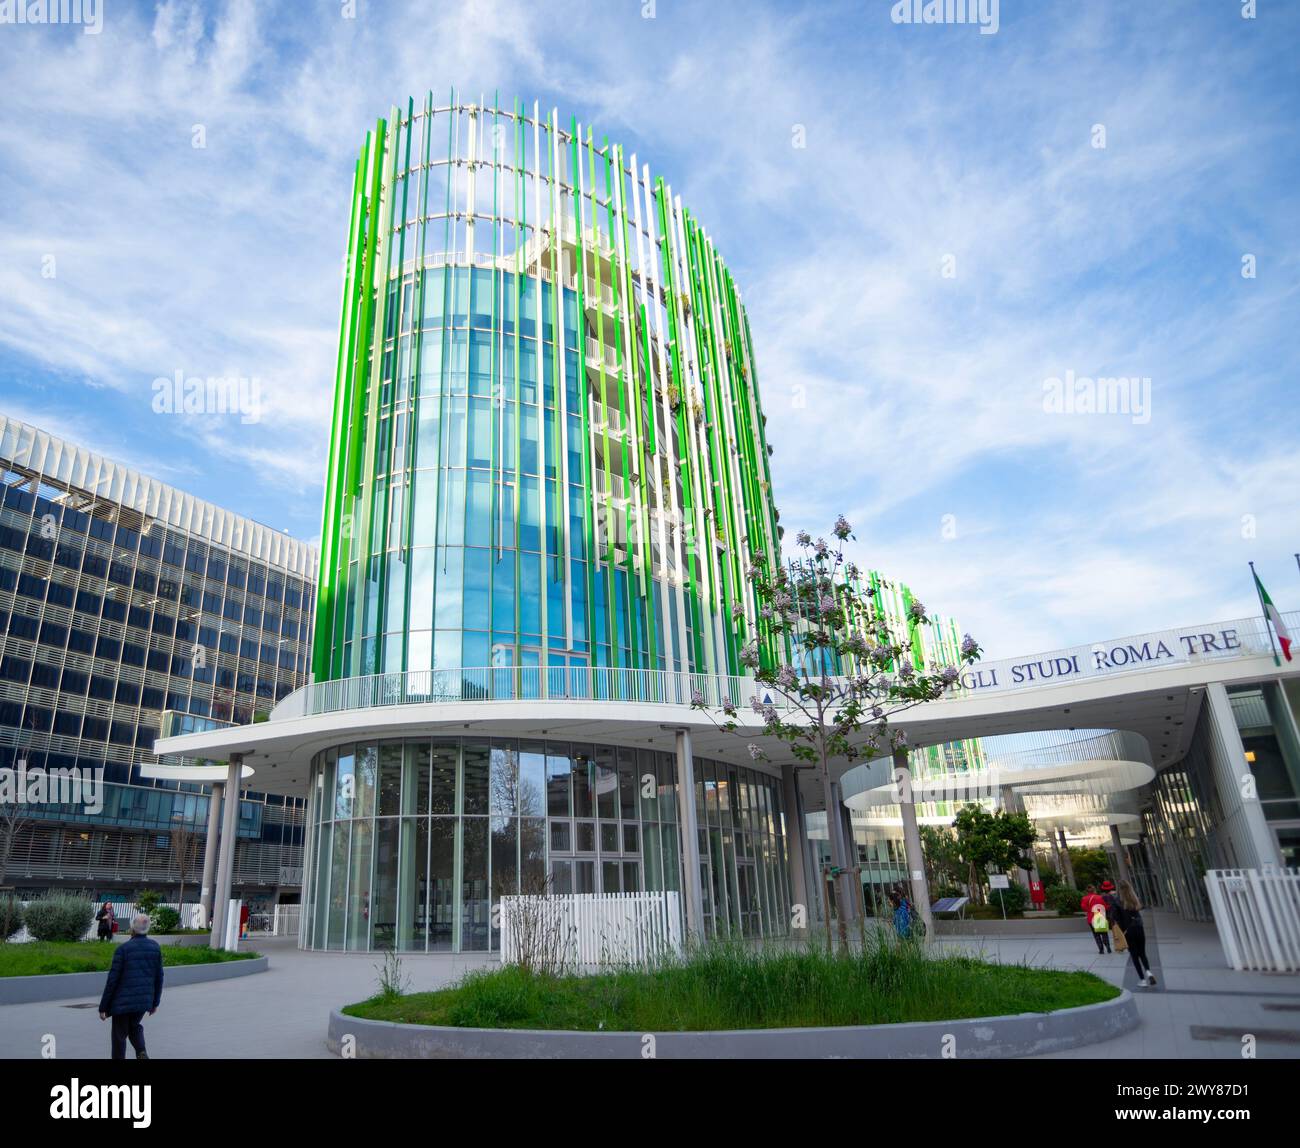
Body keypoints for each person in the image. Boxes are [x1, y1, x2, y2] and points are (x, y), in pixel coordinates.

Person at [98, 914, 164, 1060]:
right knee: (134, 1026)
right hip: (143, 1000)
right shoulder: (155, 947)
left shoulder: (123, 949)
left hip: (122, 1002)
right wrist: (155, 1003)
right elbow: (159, 977)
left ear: (132, 928)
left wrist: (103, 1007)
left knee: (119, 1035)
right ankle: (141, 1052)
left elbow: (112, 980)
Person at [1111, 879, 1157, 987]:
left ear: (1119, 889)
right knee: (1142, 953)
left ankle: (1142, 980)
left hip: (1128, 931)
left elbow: (1114, 917)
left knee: (1134, 956)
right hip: (1139, 928)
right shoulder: (1134, 898)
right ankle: (1148, 972)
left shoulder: (1117, 901)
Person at [1080, 885, 1112, 954]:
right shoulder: (1100, 897)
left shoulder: (1084, 898)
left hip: (1091, 918)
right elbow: (1105, 907)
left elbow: (1083, 908)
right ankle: (1108, 947)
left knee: (1096, 934)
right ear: (1094, 890)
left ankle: (1101, 950)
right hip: (1100, 917)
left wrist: (1090, 910)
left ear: (1087, 891)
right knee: (1104, 933)